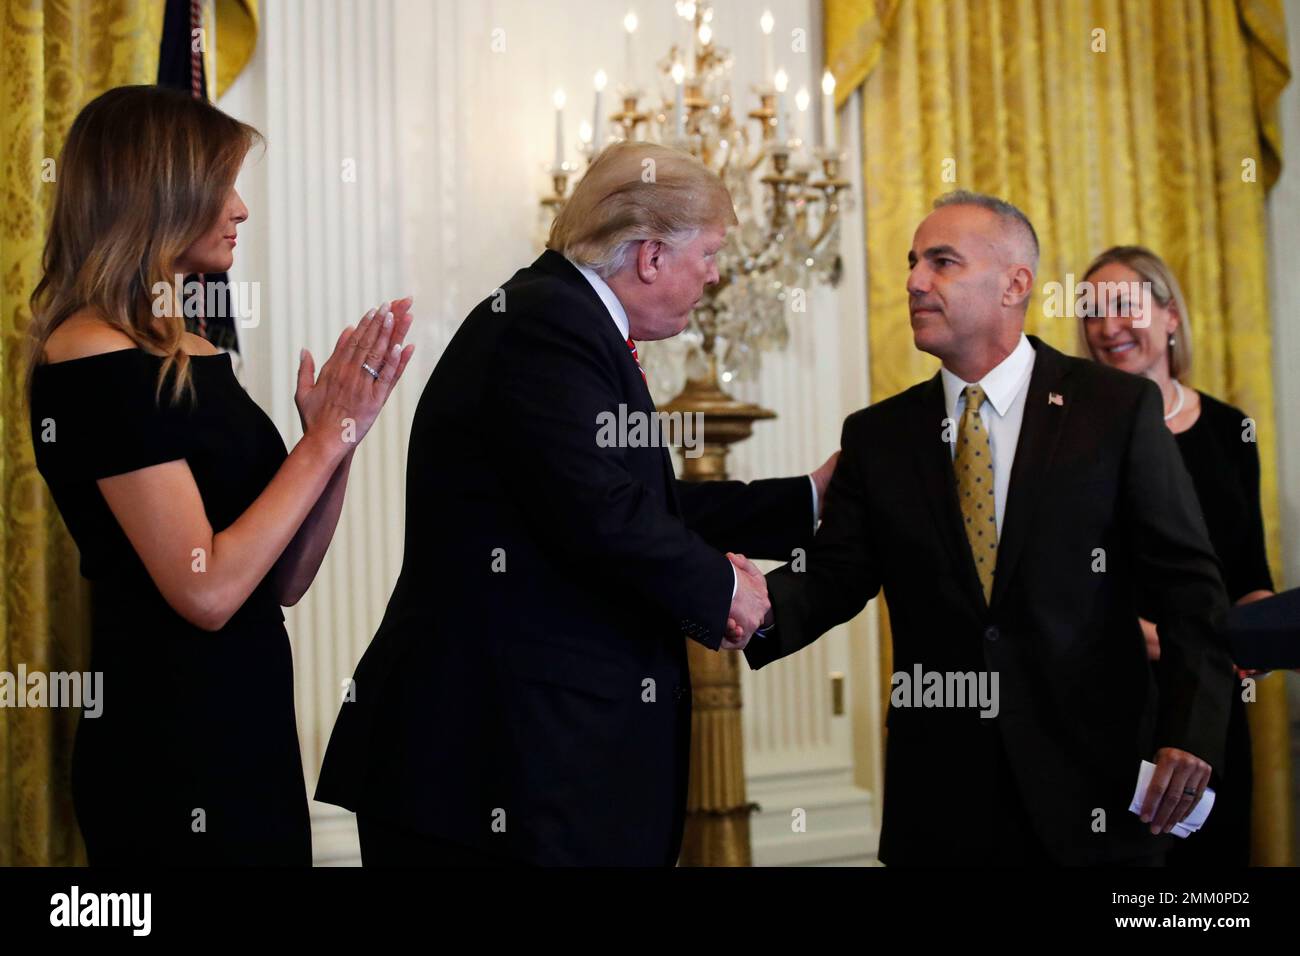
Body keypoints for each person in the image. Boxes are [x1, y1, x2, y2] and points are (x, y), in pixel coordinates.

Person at [315, 141, 836, 866]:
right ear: (651, 256)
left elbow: (635, 502)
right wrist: (724, 590)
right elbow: (601, 513)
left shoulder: (561, 318)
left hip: (525, 766)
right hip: (492, 770)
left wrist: (807, 501)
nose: (715, 276)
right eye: (710, 254)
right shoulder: (546, 325)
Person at [743, 190, 1234, 866]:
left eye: (942, 262)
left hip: (1097, 799)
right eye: (914, 262)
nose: (915, 281)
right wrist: (740, 601)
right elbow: (833, 577)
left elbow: (1189, 587)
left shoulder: (1113, 409)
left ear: (1015, 284)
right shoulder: (879, 435)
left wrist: (1192, 732)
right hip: (943, 804)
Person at [25, 85, 414, 865]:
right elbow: (205, 590)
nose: (239, 208)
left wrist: (336, 440)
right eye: (223, 185)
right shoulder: (88, 355)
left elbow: (282, 581)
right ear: (160, 193)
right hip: (167, 745)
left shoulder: (194, 352)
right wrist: (320, 443)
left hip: (248, 729)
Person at [1080, 244, 1274, 866]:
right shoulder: (1072, 440)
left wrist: (1264, 640)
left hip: (1213, 710)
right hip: (1115, 708)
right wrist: (1157, 637)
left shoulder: (1228, 430)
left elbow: (1249, 577)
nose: (1107, 328)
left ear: (1169, 315)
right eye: (1091, 312)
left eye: (1123, 306)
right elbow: (1059, 584)